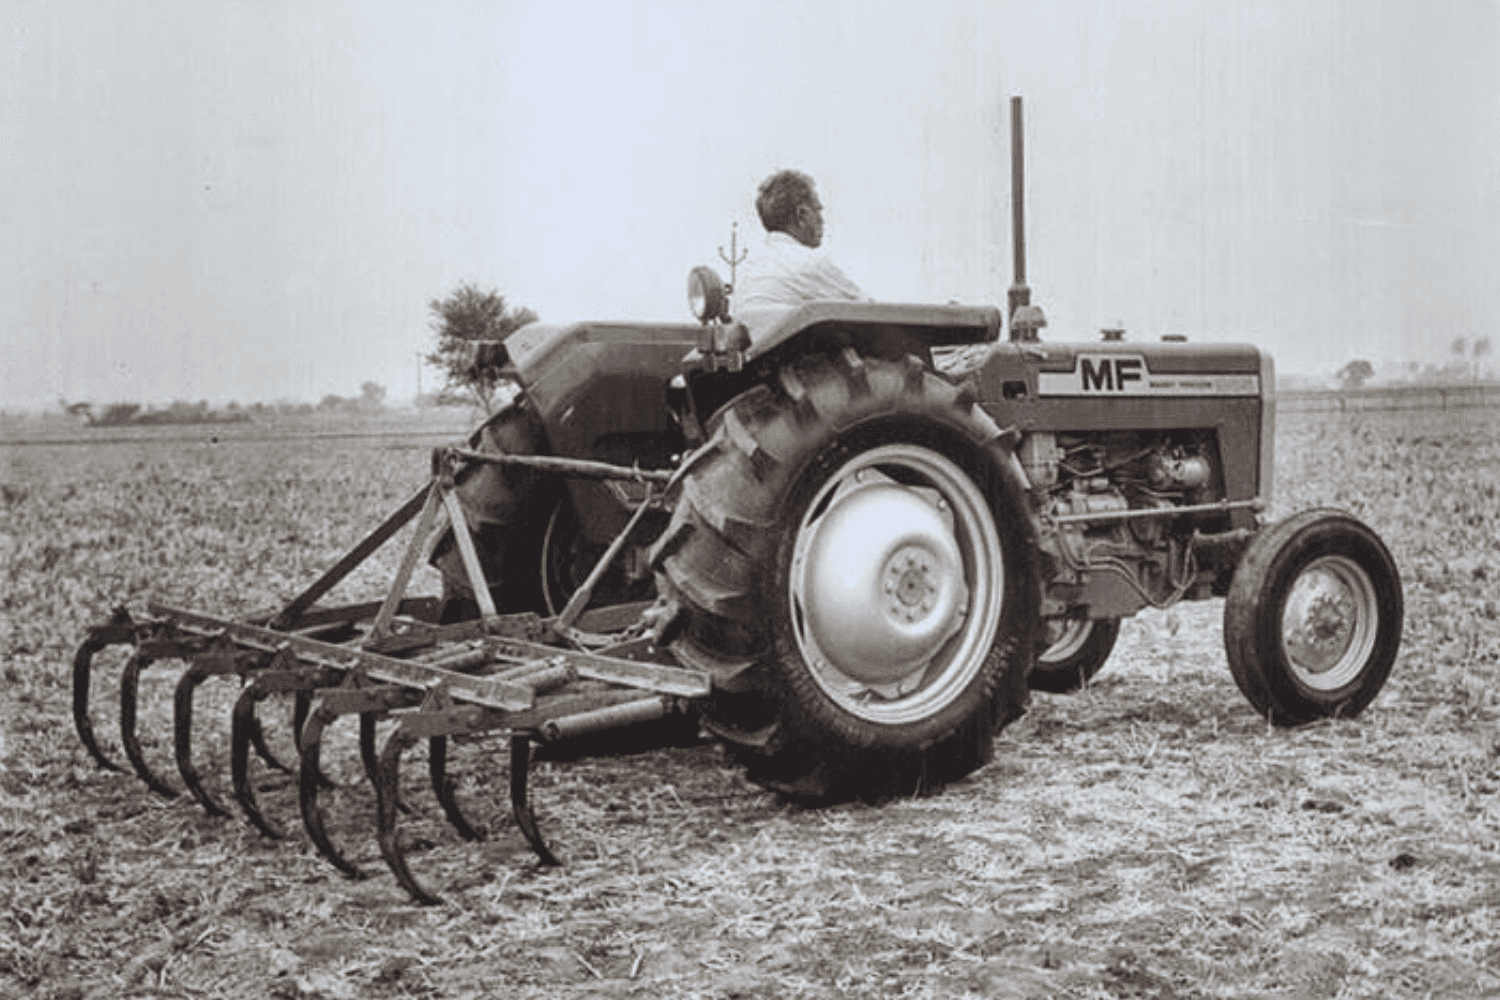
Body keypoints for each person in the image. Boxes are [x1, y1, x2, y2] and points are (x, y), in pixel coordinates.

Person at [733, 170, 868, 329]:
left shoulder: (747, 272)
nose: (822, 220)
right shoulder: (811, 264)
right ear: (801, 215)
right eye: (818, 210)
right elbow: (872, 313)